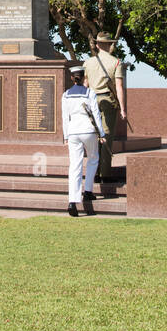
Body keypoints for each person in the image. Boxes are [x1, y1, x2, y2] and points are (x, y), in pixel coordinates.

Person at [61, 65, 106, 217]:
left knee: (75, 165)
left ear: (72, 78)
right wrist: (102, 133)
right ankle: (88, 191)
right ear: (84, 77)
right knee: (93, 159)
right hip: (88, 130)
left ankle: (72, 201)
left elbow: (65, 118)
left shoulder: (66, 95)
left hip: (73, 132)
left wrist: (66, 136)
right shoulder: (89, 93)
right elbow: (96, 115)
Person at [83, 32, 128, 183]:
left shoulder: (88, 63)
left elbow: (85, 85)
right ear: (109, 45)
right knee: (107, 137)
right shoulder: (116, 62)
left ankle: (94, 172)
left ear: (97, 45)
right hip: (108, 100)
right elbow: (119, 87)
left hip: (91, 100)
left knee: (94, 137)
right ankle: (105, 174)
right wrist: (122, 108)